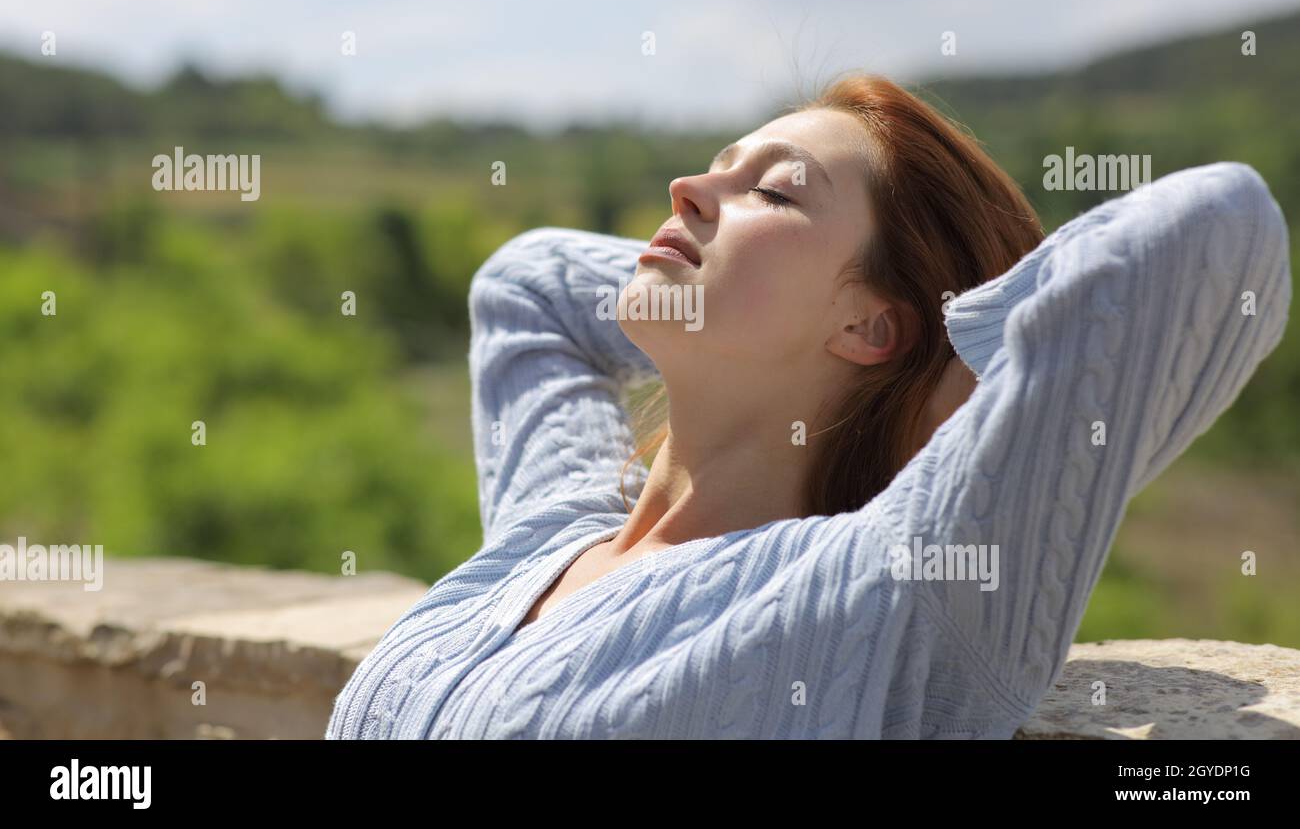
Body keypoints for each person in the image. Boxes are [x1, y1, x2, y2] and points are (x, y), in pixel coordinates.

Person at [326, 74, 1290, 739]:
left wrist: (943, 383)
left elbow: (1214, 229)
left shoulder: (874, 592)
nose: (691, 189)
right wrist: (719, 296)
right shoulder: (550, 526)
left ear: (874, 327)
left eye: (775, 194)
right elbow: (525, 281)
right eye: (717, 165)